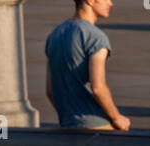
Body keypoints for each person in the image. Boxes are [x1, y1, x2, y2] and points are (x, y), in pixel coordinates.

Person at [45, 0, 131, 132]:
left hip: (67, 126)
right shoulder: (95, 37)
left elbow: (50, 91)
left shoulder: (55, 35)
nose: (111, 3)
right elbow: (98, 88)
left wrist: (71, 116)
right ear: (90, 1)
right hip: (97, 125)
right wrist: (117, 117)